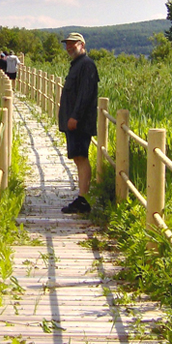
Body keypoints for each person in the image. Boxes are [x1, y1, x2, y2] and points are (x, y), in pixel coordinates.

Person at [58, 33, 99, 214]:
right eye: (67, 44)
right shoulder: (77, 65)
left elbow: (85, 94)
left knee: (81, 157)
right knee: (78, 157)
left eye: (72, 44)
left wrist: (75, 117)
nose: (69, 47)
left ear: (82, 44)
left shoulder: (87, 65)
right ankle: (82, 197)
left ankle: (83, 200)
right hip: (74, 122)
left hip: (80, 123)